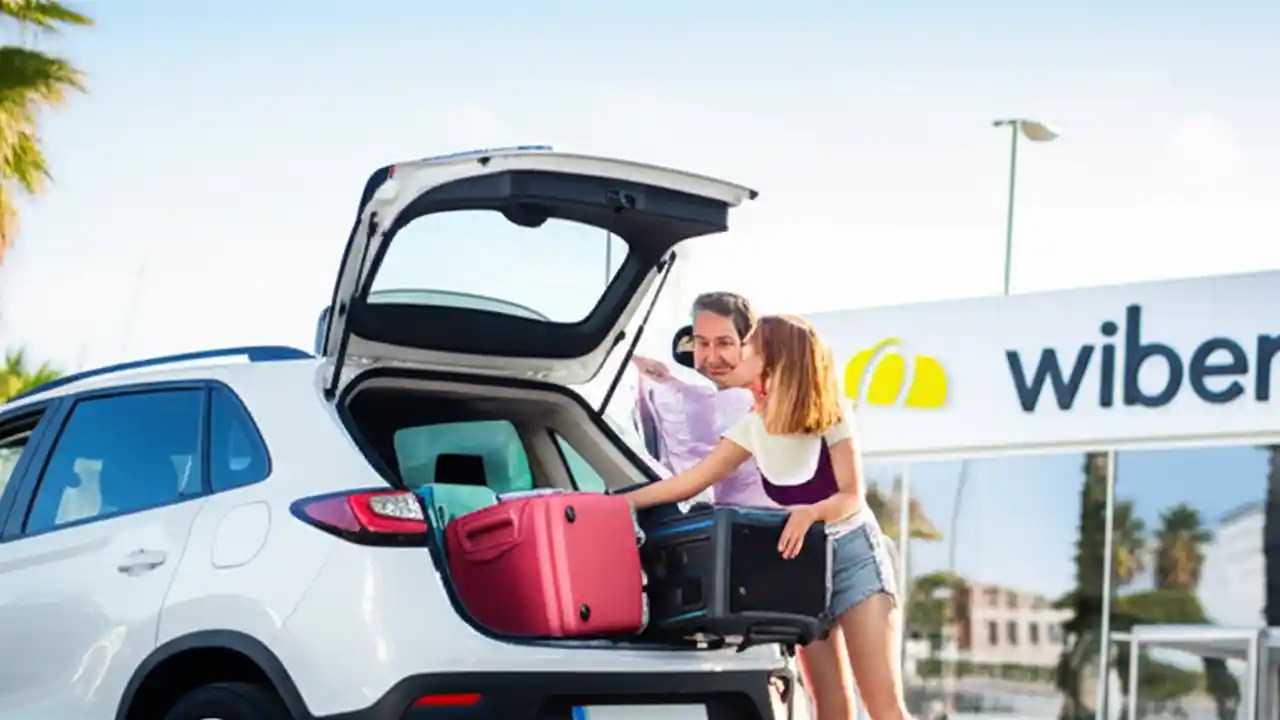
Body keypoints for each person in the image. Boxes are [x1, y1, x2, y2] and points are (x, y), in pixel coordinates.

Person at [626, 314, 909, 720]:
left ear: (773, 358)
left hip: (853, 556)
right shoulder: (751, 428)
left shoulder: (830, 414)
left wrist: (811, 513)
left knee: (885, 709)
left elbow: (851, 496)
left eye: (750, 346)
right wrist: (619, 503)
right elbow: (688, 483)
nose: (739, 352)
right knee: (830, 707)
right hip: (803, 564)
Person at [631, 291, 779, 509]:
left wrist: (612, 505)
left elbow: (690, 483)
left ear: (748, 346)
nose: (712, 358)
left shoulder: (750, 406)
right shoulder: (736, 399)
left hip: (765, 525)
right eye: (701, 343)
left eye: (724, 343)